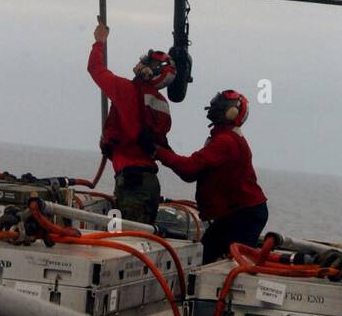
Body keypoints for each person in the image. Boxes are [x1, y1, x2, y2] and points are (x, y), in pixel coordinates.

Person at [156, 89, 268, 264]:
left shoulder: (225, 142)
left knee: (231, 264)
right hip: (238, 212)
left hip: (243, 215)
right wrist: (165, 152)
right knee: (207, 256)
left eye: (222, 103)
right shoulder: (224, 138)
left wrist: (159, 152)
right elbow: (192, 172)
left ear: (233, 113)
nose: (216, 106)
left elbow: (190, 169)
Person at [87, 20, 174, 225]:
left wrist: (99, 41)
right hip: (150, 183)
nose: (141, 62)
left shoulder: (126, 90)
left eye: (146, 61)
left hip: (131, 184)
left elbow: (95, 69)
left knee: (127, 241)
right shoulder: (161, 105)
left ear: (150, 71)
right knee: (144, 239)